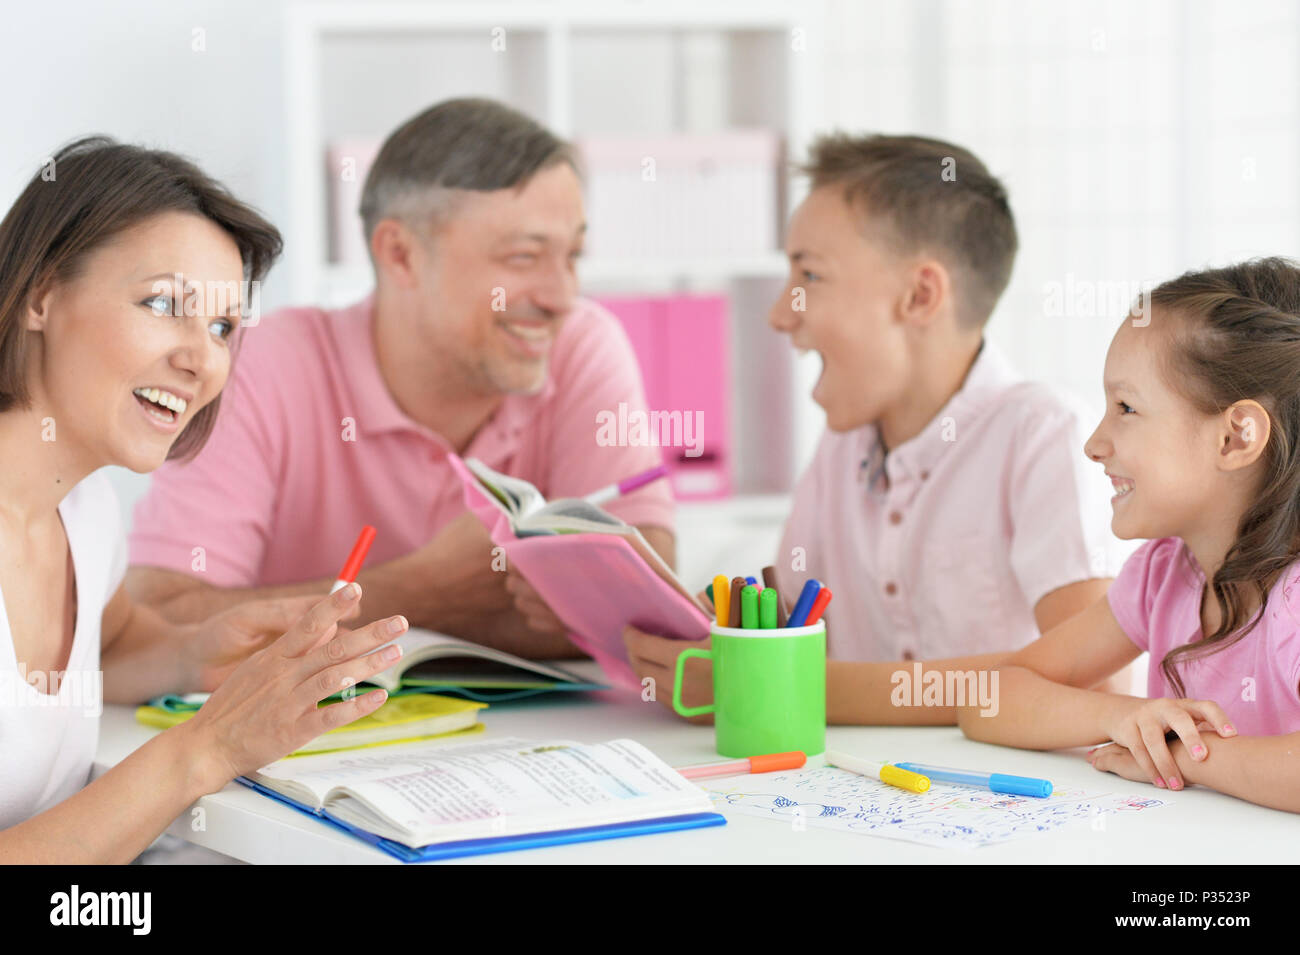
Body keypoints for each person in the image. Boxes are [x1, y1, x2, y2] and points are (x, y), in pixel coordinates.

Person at [126, 98, 674, 658]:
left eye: (573, 256)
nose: (561, 296)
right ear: (401, 254)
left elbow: (649, 612)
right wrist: (423, 592)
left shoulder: (582, 345)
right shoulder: (261, 366)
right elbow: (157, 624)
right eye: (523, 257)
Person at [624, 133, 1123, 724]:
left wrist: (784, 685)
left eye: (809, 275)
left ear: (919, 296)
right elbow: (791, 622)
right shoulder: (842, 446)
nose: (780, 313)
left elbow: (1098, 683)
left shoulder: (1040, 433)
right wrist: (718, 640)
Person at [0, 137, 404, 861]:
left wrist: (196, 655)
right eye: (163, 304)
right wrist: (207, 746)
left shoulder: (84, 512)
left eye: (222, 326)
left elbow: (111, 643)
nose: (202, 358)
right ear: (40, 293)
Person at [960, 259, 1300, 814]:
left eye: (1126, 408)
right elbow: (988, 700)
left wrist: (1185, 755)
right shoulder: (1162, 575)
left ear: (1236, 437)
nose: (1094, 443)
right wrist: (1122, 719)